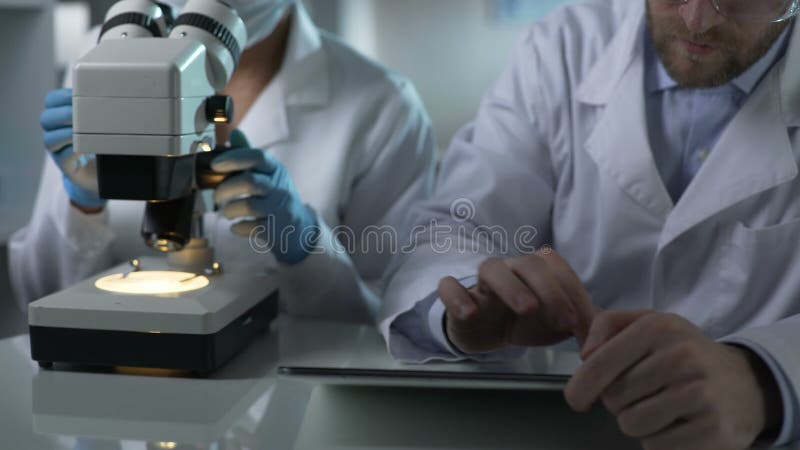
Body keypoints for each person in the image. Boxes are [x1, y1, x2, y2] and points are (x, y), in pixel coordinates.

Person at [380, 0, 800, 448]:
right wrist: (467, 305)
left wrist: (762, 378)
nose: (696, 19)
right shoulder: (563, 47)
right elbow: (453, 225)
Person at [10, 0, 435, 324]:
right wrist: (83, 205)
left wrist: (307, 252)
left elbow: (392, 323)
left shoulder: (384, 106)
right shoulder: (99, 57)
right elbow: (41, 293)